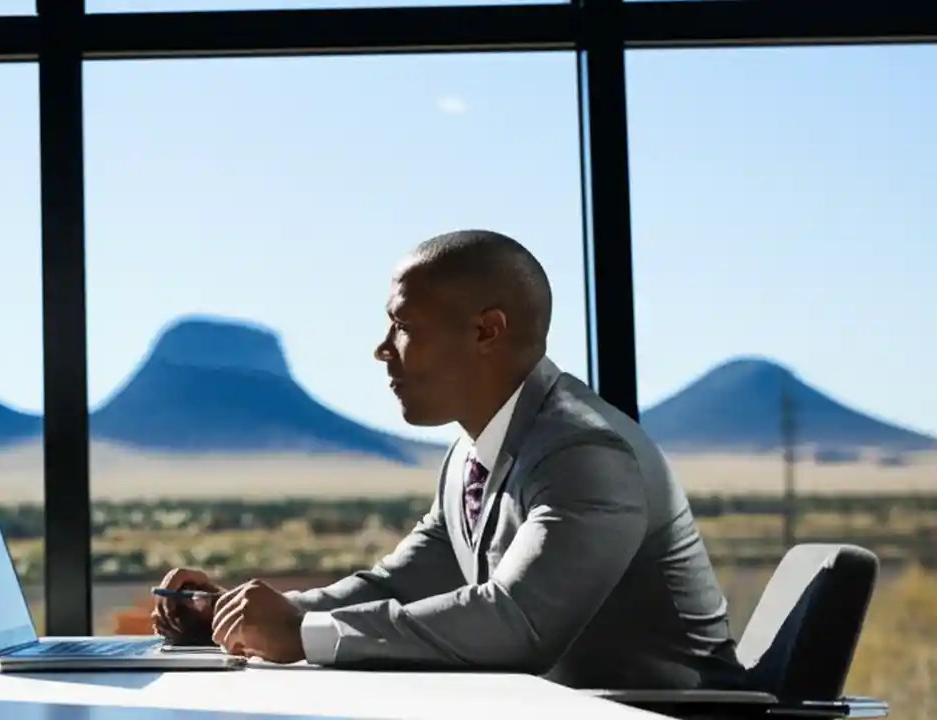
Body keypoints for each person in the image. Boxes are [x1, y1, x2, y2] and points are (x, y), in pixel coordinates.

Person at [151, 229, 745, 690]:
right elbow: (403, 582)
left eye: (403, 325)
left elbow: (519, 622)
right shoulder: (472, 452)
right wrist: (239, 618)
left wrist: (304, 634)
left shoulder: (584, 452)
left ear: (487, 331)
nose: (382, 349)